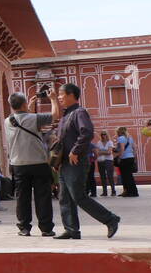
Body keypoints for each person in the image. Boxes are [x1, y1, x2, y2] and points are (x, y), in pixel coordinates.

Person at [50, 83, 120, 239]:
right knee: (64, 197)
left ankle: (110, 219)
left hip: (76, 161)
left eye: (61, 95)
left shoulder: (79, 113)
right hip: (65, 163)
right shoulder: (66, 115)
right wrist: (57, 161)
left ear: (71, 95)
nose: (59, 97)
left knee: (78, 196)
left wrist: (75, 150)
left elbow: (87, 133)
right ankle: (71, 229)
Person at [3, 92, 55, 237]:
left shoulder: (7, 121)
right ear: (25, 104)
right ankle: (46, 228)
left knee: (22, 197)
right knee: (42, 196)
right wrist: (53, 99)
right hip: (38, 162)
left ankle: (24, 228)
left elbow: (23, 120)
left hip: (18, 164)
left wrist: (27, 107)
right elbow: (55, 115)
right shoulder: (34, 118)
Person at [115, 126, 138, 197]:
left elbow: (122, 148)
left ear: (119, 132)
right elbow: (134, 148)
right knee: (129, 176)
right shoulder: (130, 138)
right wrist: (133, 157)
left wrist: (119, 157)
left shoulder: (121, 138)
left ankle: (129, 192)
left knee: (125, 176)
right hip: (130, 157)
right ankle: (133, 192)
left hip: (124, 158)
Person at [94, 131, 117, 197]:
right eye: (102, 134)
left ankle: (113, 191)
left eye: (104, 134)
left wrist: (102, 152)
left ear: (107, 135)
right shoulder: (99, 142)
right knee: (102, 176)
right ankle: (104, 192)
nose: (103, 135)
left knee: (110, 176)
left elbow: (109, 152)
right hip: (100, 161)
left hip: (108, 161)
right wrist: (105, 151)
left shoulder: (110, 142)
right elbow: (98, 152)